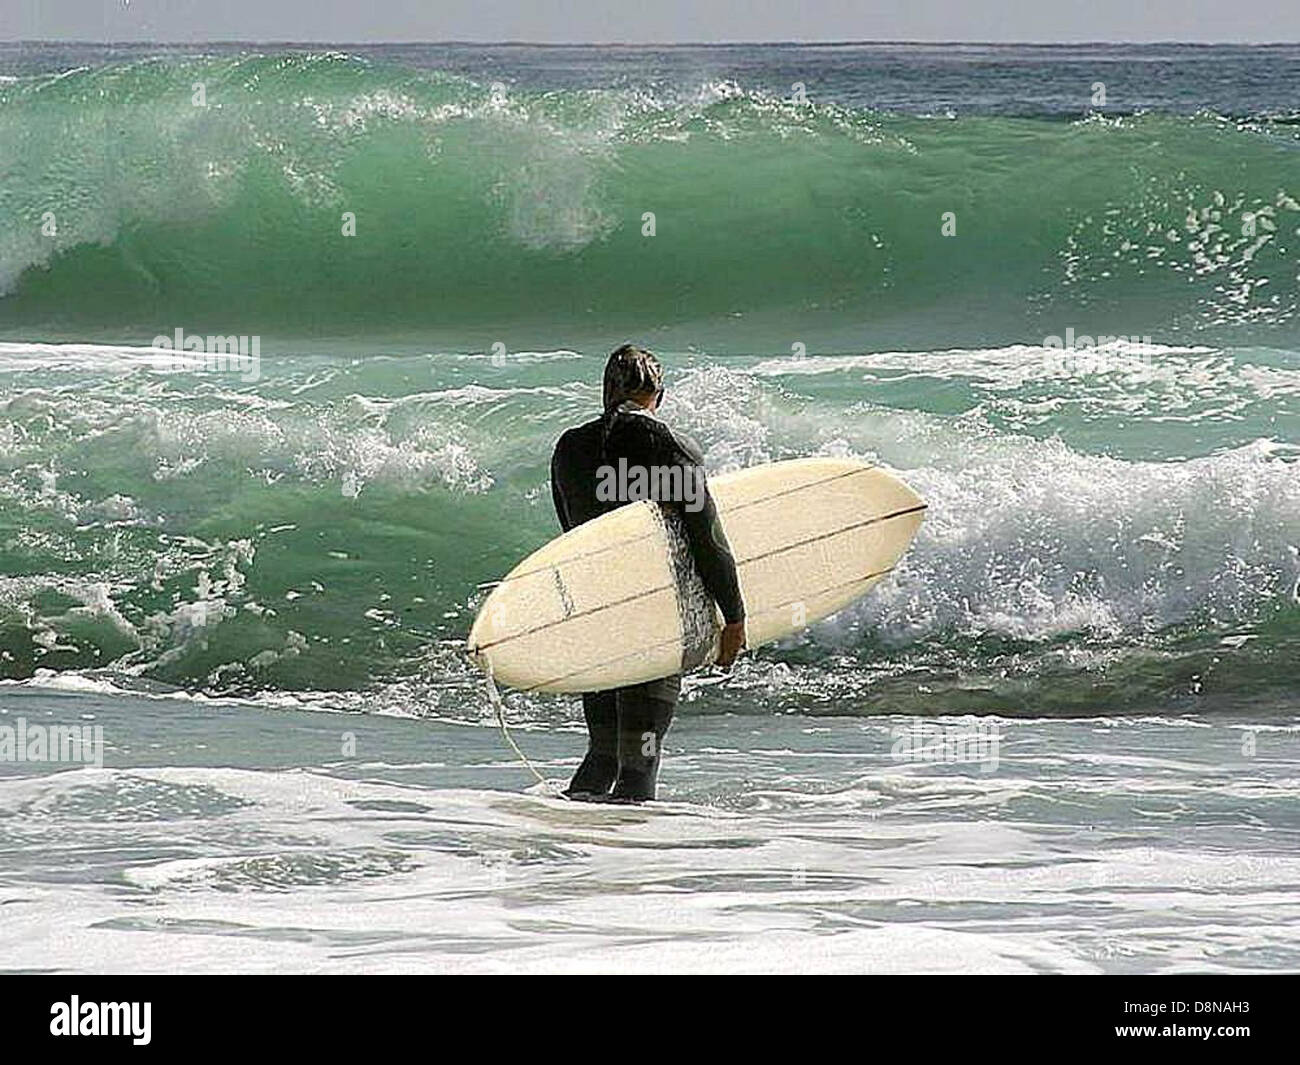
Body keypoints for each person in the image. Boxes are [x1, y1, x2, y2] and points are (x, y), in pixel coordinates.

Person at [550, 344, 746, 802]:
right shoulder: (670, 448)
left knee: (602, 755)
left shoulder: (570, 449)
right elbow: (707, 540)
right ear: (659, 393)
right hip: (650, 615)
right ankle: (630, 870)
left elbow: (571, 532)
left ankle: (569, 856)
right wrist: (733, 616)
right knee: (640, 765)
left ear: (606, 390)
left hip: (596, 613)